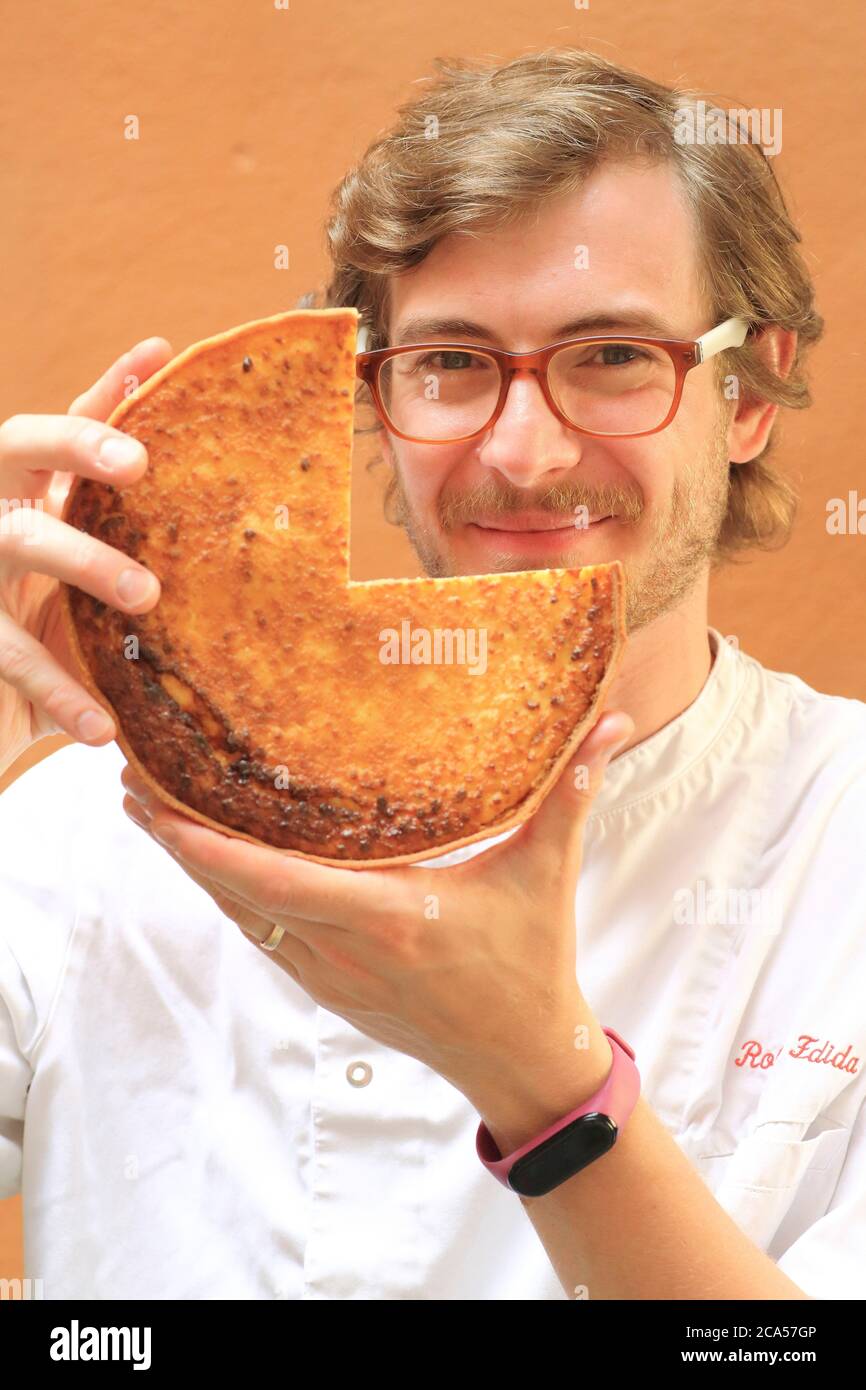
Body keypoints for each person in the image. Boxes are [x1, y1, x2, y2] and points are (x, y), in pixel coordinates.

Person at [1, 47, 864, 1302]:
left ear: (744, 395)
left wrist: (547, 1087)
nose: (520, 454)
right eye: (451, 364)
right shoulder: (82, 831)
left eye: (613, 354)